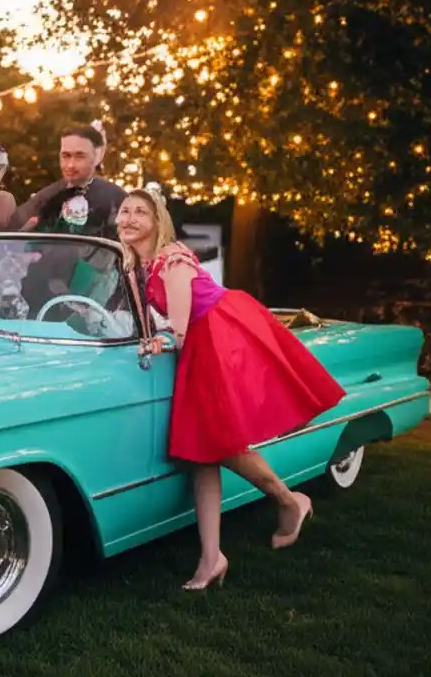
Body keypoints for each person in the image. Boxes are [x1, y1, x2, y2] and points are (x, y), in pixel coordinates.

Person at [118, 185, 346, 590]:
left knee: (220, 443)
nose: (130, 218)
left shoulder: (172, 260)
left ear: (157, 222)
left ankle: (290, 500)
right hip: (200, 343)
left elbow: (181, 331)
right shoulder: (137, 263)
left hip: (221, 335)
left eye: (140, 212)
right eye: (125, 211)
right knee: (203, 450)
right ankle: (212, 558)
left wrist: (159, 341)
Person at [24, 123, 128, 239]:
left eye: (79, 156)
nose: (70, 165)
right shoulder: (46, 199)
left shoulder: (117, 200)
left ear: (96, 156)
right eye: (66, 156)